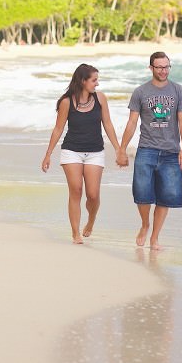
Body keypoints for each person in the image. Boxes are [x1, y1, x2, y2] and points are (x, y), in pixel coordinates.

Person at [42, 63, 122, 244]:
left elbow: (107, 124)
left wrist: (118, 148)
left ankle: (91, 221)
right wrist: (48, 154)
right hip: (72, 151)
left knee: (93, 195)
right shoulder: (67, 102)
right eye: (94, 80)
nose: (97, 84)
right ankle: (75, 233)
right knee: (76, 190)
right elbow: (58, 129)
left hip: (95, 151)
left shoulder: (100, 99)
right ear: (83, 81)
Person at [116, 52, 182, 250]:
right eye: (159, 67)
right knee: (142, 193)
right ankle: (145, 224)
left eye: (166, 67)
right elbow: (132, 122)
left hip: (171, 152)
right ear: (151, 68)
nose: (163, 71)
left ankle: (155, 237)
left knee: (167, 195)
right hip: (146, 149)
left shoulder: (178, 91)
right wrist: (122, 149)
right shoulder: (140, 92)